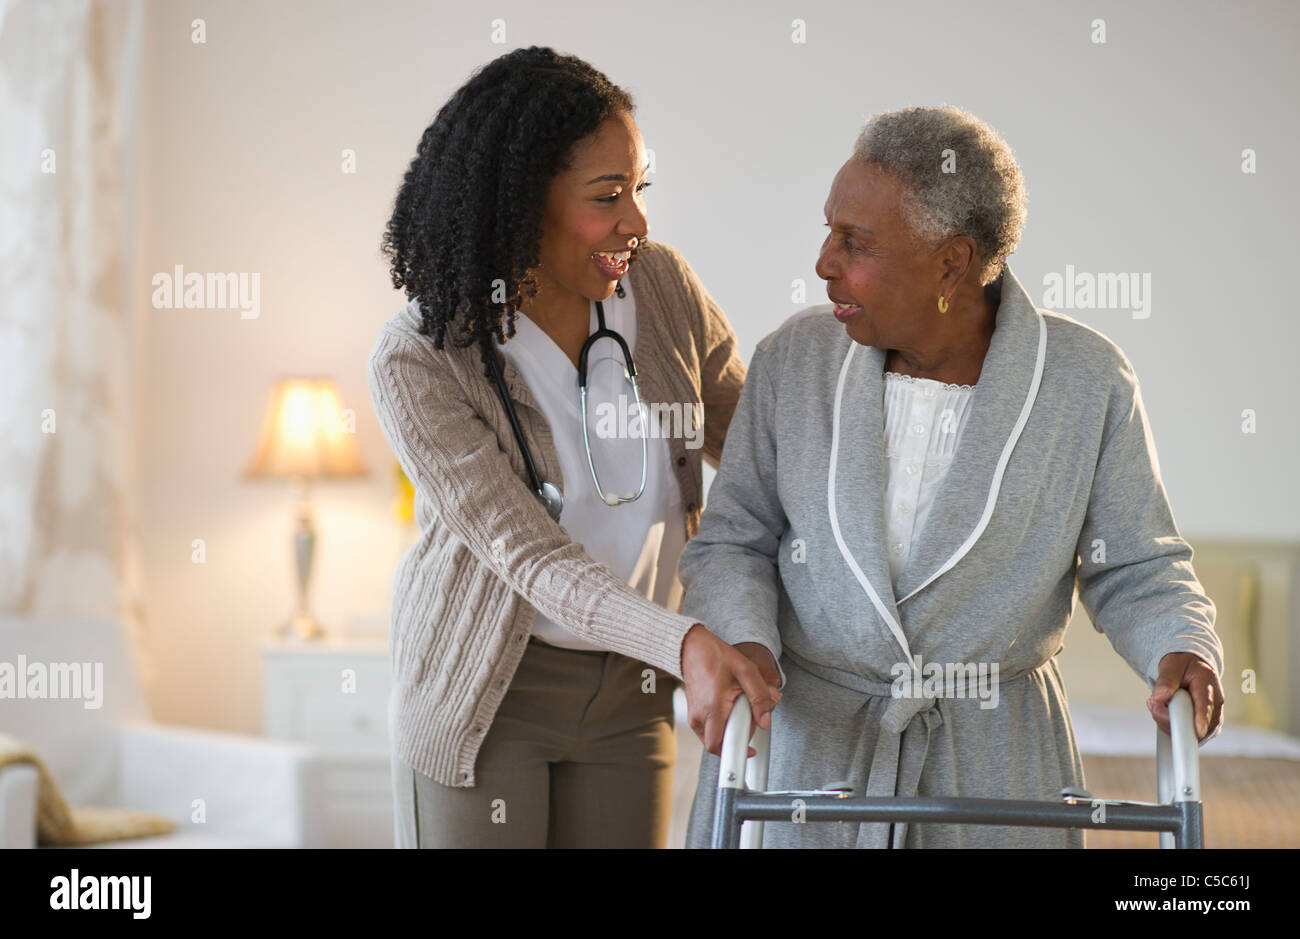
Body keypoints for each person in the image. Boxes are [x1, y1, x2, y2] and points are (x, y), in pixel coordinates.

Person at [682, 104, 1225, 848]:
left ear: (951, 262)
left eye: (855, 242)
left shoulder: (1085, 381)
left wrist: (1182, 646)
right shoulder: (794, 361)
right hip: (806, 750)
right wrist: (744, 640)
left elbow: (1136, 565)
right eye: (829, 230)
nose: (823, 262)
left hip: (994, 766)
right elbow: (733, 541)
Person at [367, 47, 779, 848]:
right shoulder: (420, 358)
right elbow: (529, 556)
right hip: (488, 693)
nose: (638, 220)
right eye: (607, 196)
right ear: (522, 206)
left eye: (639, 188)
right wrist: (688, 641)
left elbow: (765, 450)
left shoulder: (658, 288)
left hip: (631, 691)